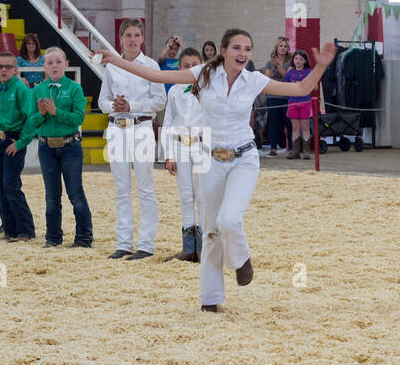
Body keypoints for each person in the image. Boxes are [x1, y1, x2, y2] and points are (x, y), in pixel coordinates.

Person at [98, 29, 334, 311]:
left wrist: (321, 65)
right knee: (210, 231)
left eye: (247, 48)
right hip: (211, 159)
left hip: (244, 159)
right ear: (224, 51)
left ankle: (242, 259)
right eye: (236, 47)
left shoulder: (254, 80)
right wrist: (115, 60)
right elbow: (156, 76)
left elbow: (300, 89)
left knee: (230, 219)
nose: (242, 53)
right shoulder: (204, 75)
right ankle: (210, 299)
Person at [13, 48, 92, 248]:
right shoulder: (37, 90)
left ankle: (83, 238)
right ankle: (53, 238)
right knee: (51, 195)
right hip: (46, 147)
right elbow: (30, 123)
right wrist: (40, 114)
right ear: (44, 67)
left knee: (75, 194)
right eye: (50, 63)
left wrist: (57, 112)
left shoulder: (75, 88)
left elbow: (79, 118)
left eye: (58, 61)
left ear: (66, 64)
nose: (54, 66)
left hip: (70, 146)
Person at [98, 18, 164, 259]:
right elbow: (102, 100)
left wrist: (131, 105)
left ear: (142, 38)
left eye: (137, 35)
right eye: (129, 35)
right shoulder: (112, 67)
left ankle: (146, 244)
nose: (133, 40)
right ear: (121, 38)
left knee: (145, 187)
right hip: (116, 128)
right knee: (122, 188)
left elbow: (160, 100)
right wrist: (113, 106)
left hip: (141, 127)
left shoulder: (151, 66)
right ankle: (123, 242)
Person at [0, 52, 35, 241]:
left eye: (8, 67)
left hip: (13, 141)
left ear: (15, 70)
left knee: (11, 186)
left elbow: (31, 118)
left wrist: (20, 143)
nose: (4, 70)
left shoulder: (21, 90)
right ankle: (9, 230)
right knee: (0, 186)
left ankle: (26, 230)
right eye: (0, 66)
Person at [161, 47, 205, 261]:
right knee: (186, 195)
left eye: (195, 65)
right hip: (180, 145)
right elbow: (168, 122)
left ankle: (206, 247)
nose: (190, 69)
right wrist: (168, 154)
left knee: (203, 195)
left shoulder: (208, 88)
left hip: (203, 145)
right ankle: (189, 248)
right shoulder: (174, 91)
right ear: (179, 68)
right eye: (186, 66)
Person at [262, 36, 291, 156]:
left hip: (286, 96)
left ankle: (291, 148)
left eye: (285, 46)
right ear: (276, 47)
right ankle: (273, 148)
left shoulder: (290, 62)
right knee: (273, 123)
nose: (283, 48)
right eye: (281, 46)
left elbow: (287, 77)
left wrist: (279, 66)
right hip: (273, 97)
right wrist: (274, 66)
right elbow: (268, 77)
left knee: (288, 122)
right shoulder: (270, 62)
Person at [283, 49, 315, 159]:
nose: (298, 61)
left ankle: (306, 151)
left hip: (305, 102)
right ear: (293, 60)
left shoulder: (308, 72)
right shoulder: (289, 73)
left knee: (305, 127)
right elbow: (285, 87)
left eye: (301, 59)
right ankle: (295, 151)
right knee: (295, 128)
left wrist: (301, 85)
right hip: (292, 103)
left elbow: (314, 87)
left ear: (305, 61)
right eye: (296, 58)